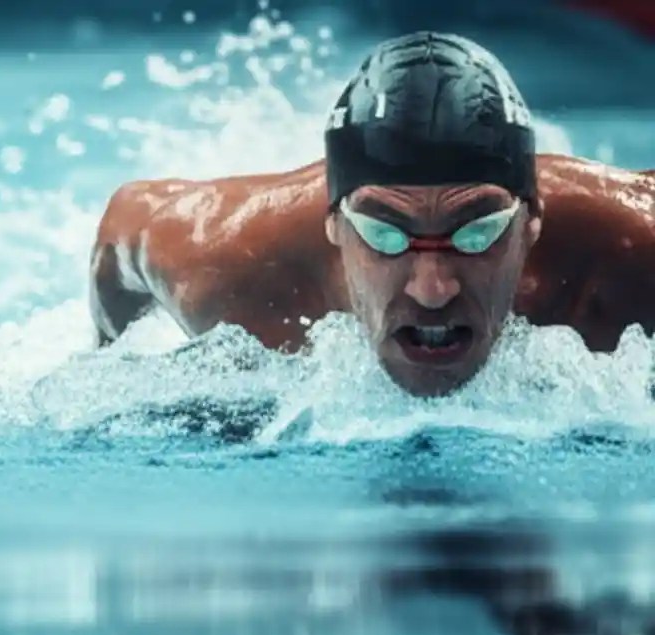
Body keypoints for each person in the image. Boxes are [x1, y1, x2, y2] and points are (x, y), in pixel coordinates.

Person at [90, 31, 655, 396]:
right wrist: (105, 363)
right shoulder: (224, 263)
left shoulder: (630, 250)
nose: (433, 288)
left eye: (477, 232)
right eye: (386, 234)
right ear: (333, 225)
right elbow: (125, 225)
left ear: (531, 223)